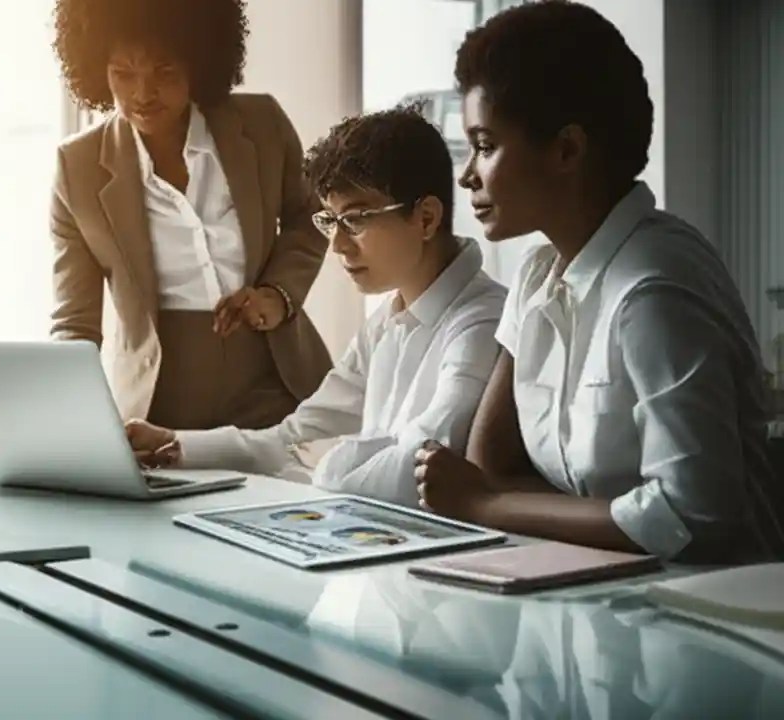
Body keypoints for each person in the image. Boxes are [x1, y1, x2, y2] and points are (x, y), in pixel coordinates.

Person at [415, 0, 783, 563]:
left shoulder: (654, 290)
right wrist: (494, 496)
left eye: (486, 146)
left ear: (567, 149)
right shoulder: (538, 274)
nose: (467, 174)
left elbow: (695, 518)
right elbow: (491, 465)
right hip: (596, 586)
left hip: (709, 611)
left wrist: (488, 507)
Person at [128, 107, 505, 506]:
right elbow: (296, 436)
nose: (337, 245)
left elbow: (418, 472)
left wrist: (324, 462)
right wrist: (175, 444)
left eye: (356, 219)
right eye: (331, 221)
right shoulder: (386, 323)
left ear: (426, 218)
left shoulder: (483, 321)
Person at [48, 0, 332, 430]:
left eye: (164, 72)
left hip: (276, 386)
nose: (143, 94)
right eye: (123, 74)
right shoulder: (78, 167)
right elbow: (74, 323)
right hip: (158, 406)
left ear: (198, 60)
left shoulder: (263, 125)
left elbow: (310, 216)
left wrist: (278, 295)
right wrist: (72, 422)